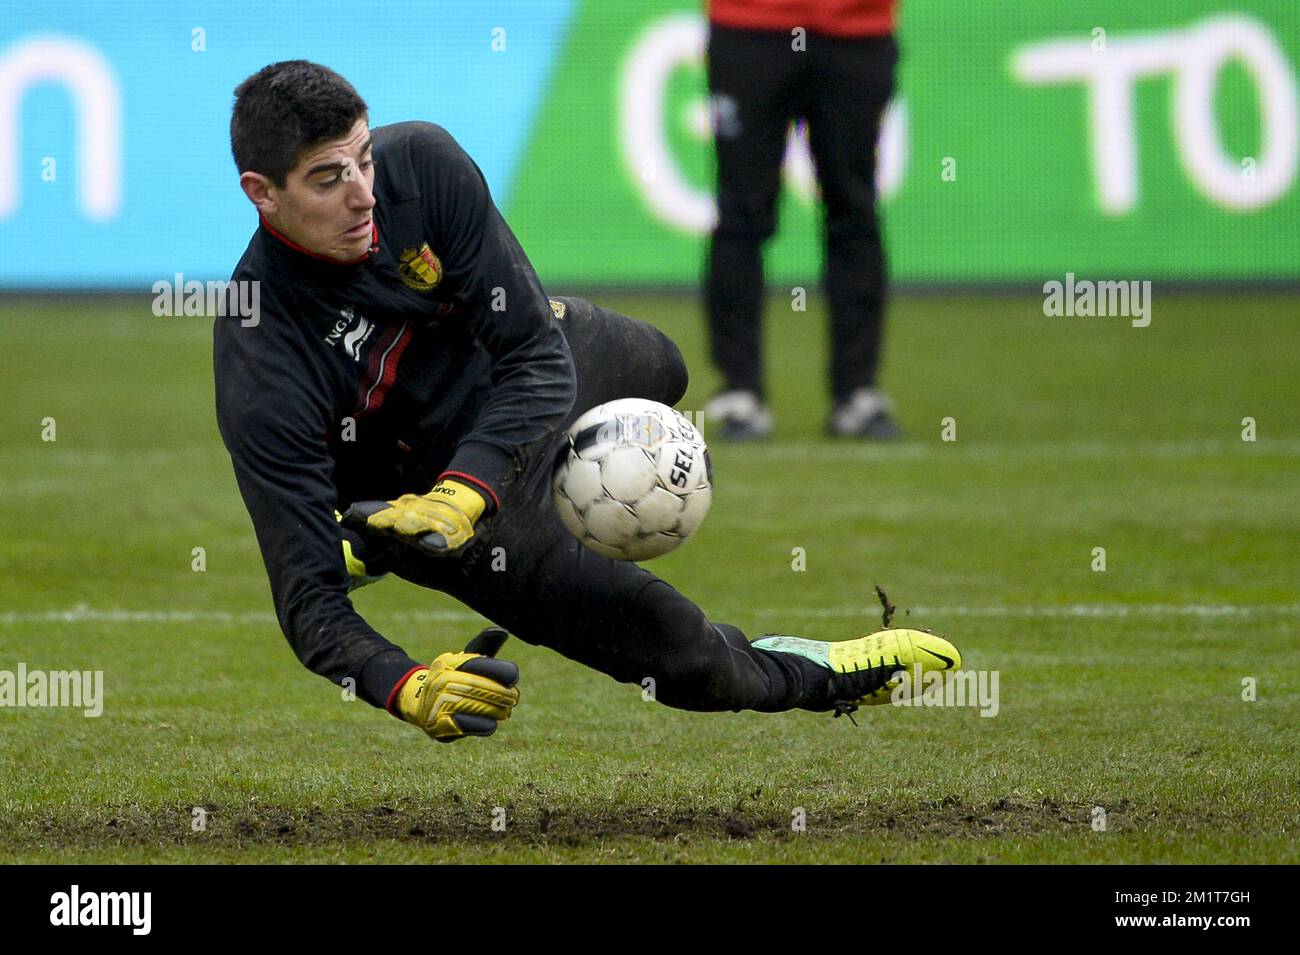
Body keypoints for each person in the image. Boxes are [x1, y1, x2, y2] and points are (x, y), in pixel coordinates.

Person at [215, 60, 959, 743]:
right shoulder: (262, 357)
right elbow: (308, 601)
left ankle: (379, 538)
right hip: (437, 504)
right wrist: (408, 686)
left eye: (365, 157)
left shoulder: (425, 166)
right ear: (263, 192)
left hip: (509, 397)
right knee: (684, 655)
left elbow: (534, 357)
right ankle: (818, 670)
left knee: (660, 364)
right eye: (327, 177)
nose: (364, 193)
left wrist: (467, 484)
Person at [704, 0, 903, 440]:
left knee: (854, 210)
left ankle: (857, 392)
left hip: (856, 30)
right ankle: (740, 392)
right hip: (749, 26)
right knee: (741, 213)